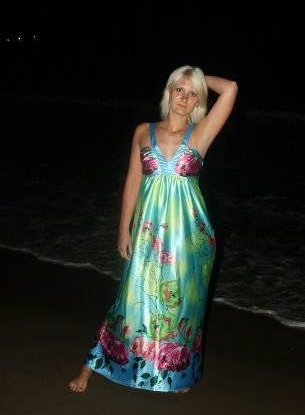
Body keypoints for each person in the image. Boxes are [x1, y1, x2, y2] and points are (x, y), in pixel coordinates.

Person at [69, 65, 238, 394]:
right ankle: (93, 364)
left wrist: (196, 75)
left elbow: (230, 88)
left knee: (182, 305)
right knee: (130, 298)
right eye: (179, 89)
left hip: (189, 237)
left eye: (193, 93)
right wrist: (123, 228)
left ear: (199, 101)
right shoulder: (143, 132)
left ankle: (178, 374)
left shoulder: (201, 133)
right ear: (168, 91)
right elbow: (133, 181)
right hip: (147, 234)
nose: (184, 98)